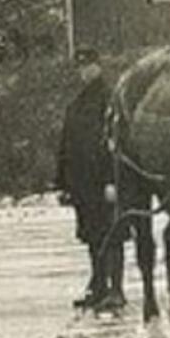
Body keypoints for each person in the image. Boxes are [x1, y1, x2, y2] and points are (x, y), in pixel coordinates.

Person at [56, 48, 127, 313]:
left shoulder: (110, 99)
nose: (84, 71)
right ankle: (98, 287)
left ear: (98, 66)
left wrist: (113, 180)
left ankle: (116, 289)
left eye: (88, 66)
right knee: (92, 236)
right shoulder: (78, 103)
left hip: (104, 182)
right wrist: (62, 183)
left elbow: (115, 143)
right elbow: (66, 144)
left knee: (113, 234)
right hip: (82, 182)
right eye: (81, 67)